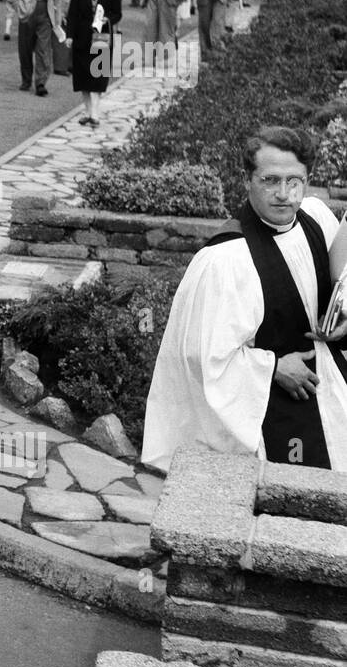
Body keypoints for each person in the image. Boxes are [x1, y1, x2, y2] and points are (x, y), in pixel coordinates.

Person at [142, 127, 347, 473]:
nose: (284, 194)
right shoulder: (227, 260)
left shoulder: (316, 219)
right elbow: (202, 358)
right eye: (270, 180)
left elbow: (335, 289)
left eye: (295, 181)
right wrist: (274, 367)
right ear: (247, 180)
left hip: (330, 393)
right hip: (270, 414)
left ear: (308, 180)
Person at [62, 0, 121, 128]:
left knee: (98, 74)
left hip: (102, 38)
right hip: (81, 37)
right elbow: (72, 14)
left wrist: (107, 20)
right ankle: (87, 111)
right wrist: (70, 36)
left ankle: (95, 113)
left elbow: (118, 13)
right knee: (83, 75)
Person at [8, 0, 50, 95]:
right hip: (28, 11)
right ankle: (26, 79)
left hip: (45, 10)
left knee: (43, 49)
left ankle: (40, 82)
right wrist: (20, 7)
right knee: (25, 48)